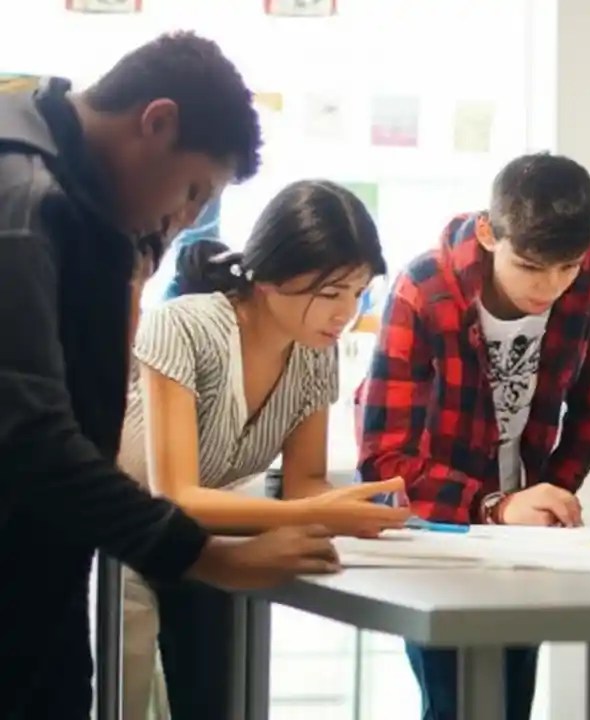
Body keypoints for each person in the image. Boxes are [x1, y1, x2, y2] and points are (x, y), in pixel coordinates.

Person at [0, 32, 342, 718]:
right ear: (155, 122)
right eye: (193, 191)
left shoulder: (85, 199)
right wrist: (203, 554)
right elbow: (31, 430)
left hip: (42, 578)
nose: (186, 220)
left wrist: (131, 263)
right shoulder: (24, 197)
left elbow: (83, 406)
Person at [117, 180, 410, 720]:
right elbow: (176, 496)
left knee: (217, 701)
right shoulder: (186, 324)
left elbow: (306, 484)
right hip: (123, 543)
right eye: (330, 293)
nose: (346, 311)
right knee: (124, 700)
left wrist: (357, 511)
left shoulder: (313, 354)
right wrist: (315, 512)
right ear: (273, 278)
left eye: (359, 291)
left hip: (215, 547)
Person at [358, 152, 590, 720]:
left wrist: (550, 493)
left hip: (526, 537)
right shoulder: (424, 289)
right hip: (439, 527)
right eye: (531, 267)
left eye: (566, 268)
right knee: (455, 705)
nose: (550, 287)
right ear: (488, 232)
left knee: (511, 703)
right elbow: (384, 458)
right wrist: (495, 505)